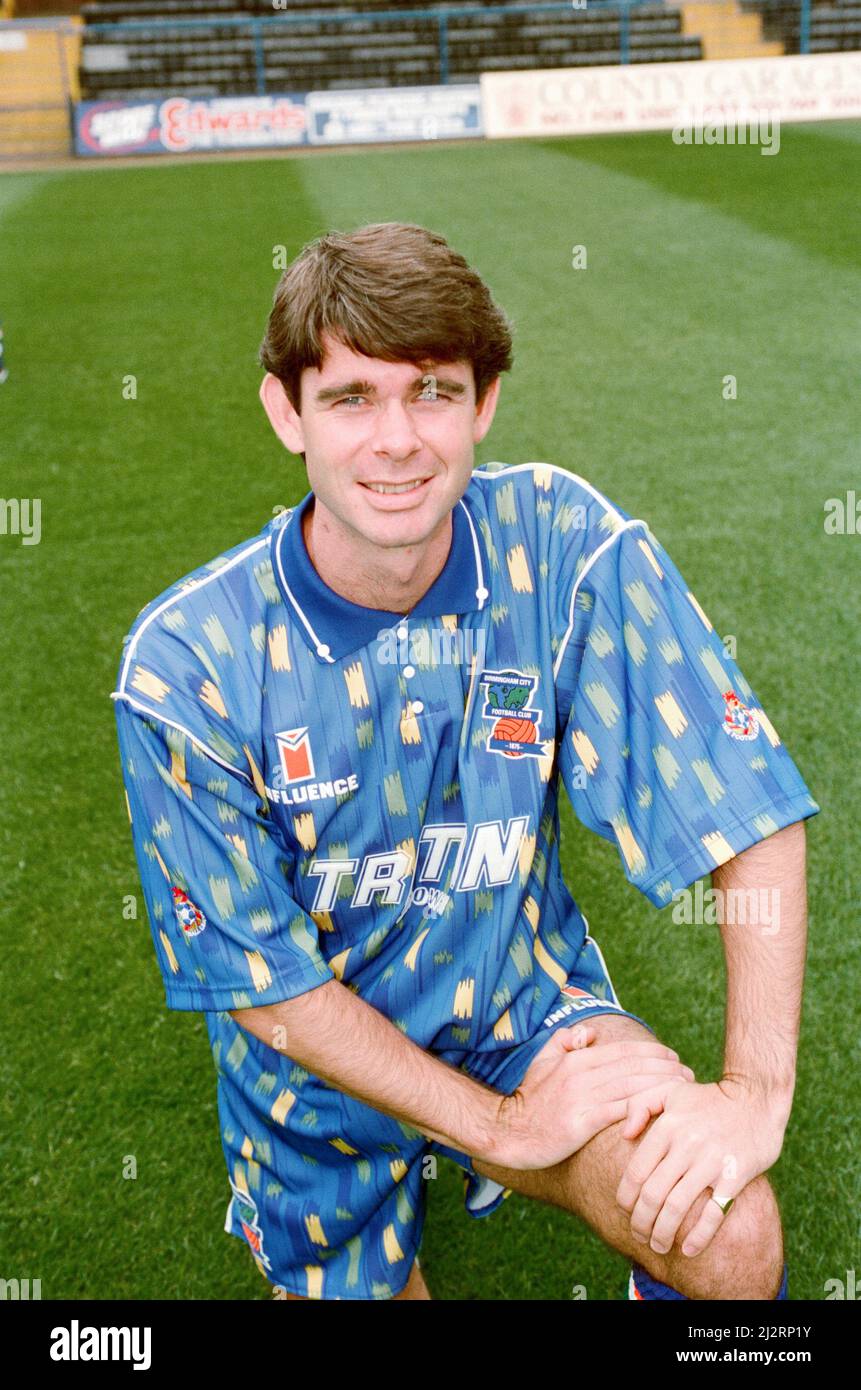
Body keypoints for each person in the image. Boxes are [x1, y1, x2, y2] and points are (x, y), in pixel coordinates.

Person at [112, 221, 819, 1301]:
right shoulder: (186, 665)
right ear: (284, 413)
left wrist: (756, 1093)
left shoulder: (560, 544)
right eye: (351, 397)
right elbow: (268, 991)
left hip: (518, 1011)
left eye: (432, 391)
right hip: (316, 1080)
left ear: (483, 403)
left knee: (729, 1235)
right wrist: (501, 1127)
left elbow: (752, 811)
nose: (397, 439)